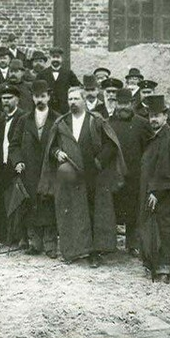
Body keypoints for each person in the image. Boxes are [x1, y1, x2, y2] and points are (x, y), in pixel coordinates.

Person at [38, 85, 125, 267]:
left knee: (93, 212)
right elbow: (52, 146)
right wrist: (57, 153)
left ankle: (94, 253)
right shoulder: (61, 123)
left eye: (76, 99)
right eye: (70, 99)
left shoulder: (96, 121)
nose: (72, 102)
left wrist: (98, 162)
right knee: (72, 211)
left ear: (84, 101)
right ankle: (74, 251)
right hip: (71, 175)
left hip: (93, 176)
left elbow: (111, 145)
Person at [138, 94, 170, 283]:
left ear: (165, 116)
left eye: (157, 116)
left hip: (164, 195)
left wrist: (156, 192)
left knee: (166, 229)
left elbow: (169, 170)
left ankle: (164, 269)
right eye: (151, 116)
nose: (153, 119)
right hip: (154, 192)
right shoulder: (157, 137)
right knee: (155, 228)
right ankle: (155, 265)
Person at [17, 80, 59, 255]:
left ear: (48, 97)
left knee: (49, 204)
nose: (40, 99)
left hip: (50, 168)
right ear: (32, 98)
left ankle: (50, 245)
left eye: (43, 96)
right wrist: (18, 161)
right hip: (30, 169)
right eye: (36, 96)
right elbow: (14, 145)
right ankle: (35, 243)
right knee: (32, 204)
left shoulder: (57, 119)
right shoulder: (23, 120)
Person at [109, 87, 152, 251]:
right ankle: (111, 245)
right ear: (115, 104)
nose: (123, 107)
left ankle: (132, 244)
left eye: (126, 103)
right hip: (115, 174)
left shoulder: (142, 124)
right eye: (120, 103)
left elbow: (149, 148)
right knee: (114, 209)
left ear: (132, 104)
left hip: (135, 175)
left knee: (134, 211)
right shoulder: (108, 123)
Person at [0, 84, 31, 246]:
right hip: (3, 165)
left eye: (9, 98)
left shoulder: (23, 117)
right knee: (6, 201)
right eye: (3, 98)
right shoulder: (2, 118)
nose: (6, 101)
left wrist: (19, 161)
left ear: (17, 100)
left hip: (17, 164)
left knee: (20, 201)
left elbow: (22, 143)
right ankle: (9, 236)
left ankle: (22, 236)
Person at [36, 48, 81, 115]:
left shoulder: (68, 73)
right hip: (47, 107)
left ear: (61, 59)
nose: (56, 59)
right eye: (53, 57)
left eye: (58, 57)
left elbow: (78, 86)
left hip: (64, 108)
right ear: (50, 58)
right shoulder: (42, 74)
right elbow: (36, 89)